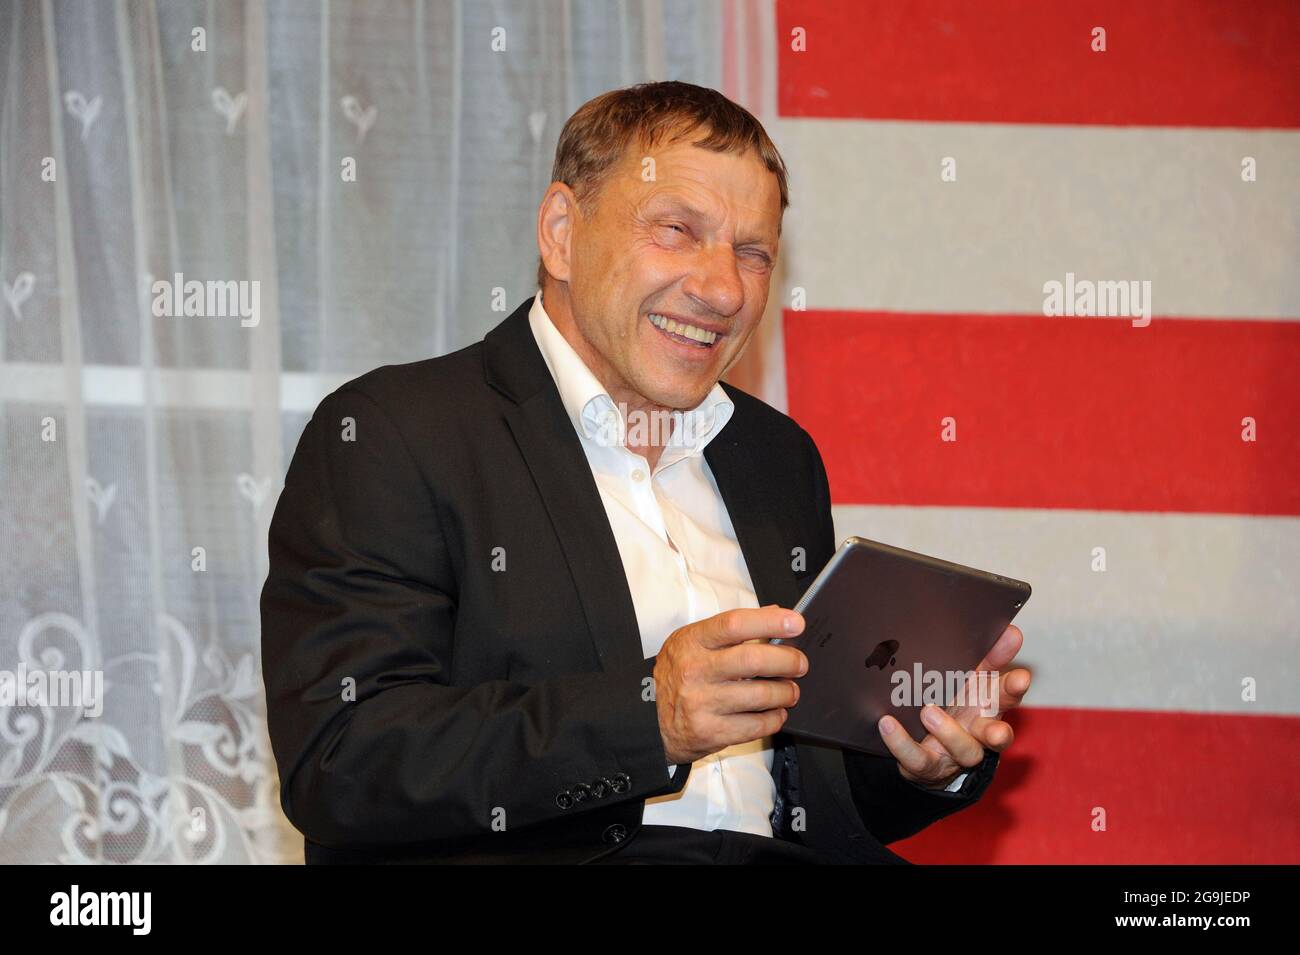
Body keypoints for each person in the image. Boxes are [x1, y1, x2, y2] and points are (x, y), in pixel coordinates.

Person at [260, 80, 1032, 864]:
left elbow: (802, 795)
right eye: (677, 229)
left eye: (753, 252)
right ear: (562, 232)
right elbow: (342, 760)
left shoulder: (778, 459)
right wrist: (649, 715)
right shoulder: (397, 432)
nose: (723, 287)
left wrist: (918, 753)